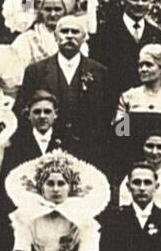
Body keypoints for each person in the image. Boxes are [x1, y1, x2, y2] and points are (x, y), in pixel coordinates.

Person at [17, 14, 113, 154]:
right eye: (64, 31)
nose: (69, 36)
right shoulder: (35, 71)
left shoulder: (100, 72)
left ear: (84, 38)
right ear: (55, 37)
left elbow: (107, 112)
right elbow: (23, 110)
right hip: (48, 148)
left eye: (75, 32)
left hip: (89, 148)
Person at [87, 0, 161, 90]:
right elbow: (96, 73)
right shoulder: (103, 34)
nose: (140, 4)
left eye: (144, 0)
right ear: (123, 1)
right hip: (112, 102)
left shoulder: (159, 37)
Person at [3, 0, 99, 66]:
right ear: (40, 11)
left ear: (65, 12)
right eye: (48, 9)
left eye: (57, 9)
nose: (53, 14)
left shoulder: (77, 39)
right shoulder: (26, 40)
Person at [0, 90, 77, 185]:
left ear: (55, 114)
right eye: (37, 112)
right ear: (28, 115)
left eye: (47, 112)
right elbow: (7, 185)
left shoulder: (68, 144)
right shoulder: (16, 147)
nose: (42, 116)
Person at [113, 44, 161, 130]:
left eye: (149, 65)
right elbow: (121, 133)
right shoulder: (128, 97)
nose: (143, 69)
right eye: (140, 65)